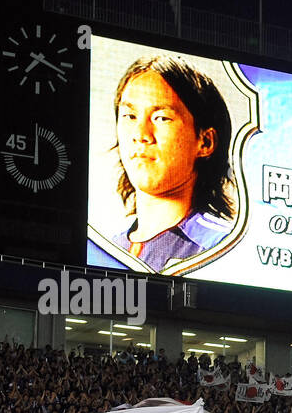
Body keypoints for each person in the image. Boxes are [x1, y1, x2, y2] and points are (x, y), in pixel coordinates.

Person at [88, 54, 237, 273]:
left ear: (205, 141)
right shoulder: (103, 249)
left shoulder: (224, 247)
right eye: (129, 116)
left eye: (162, 118)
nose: (141, 135)